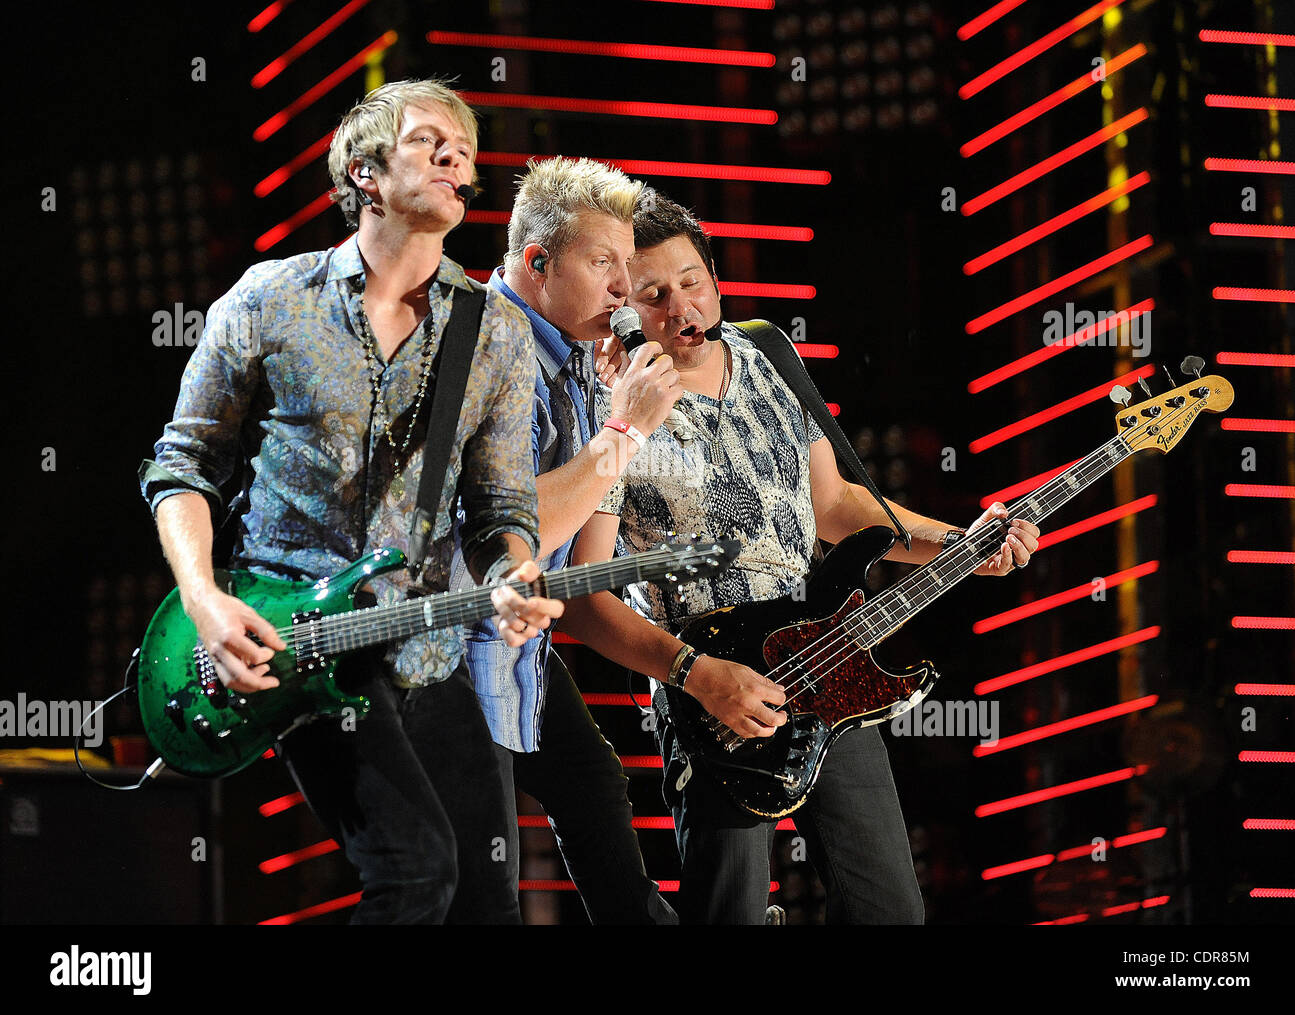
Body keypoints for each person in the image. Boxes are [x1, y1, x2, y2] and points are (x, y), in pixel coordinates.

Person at [139, 79, 563, 925]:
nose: (455, 156)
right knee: (415, 872)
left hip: (425, 647)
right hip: (291, 639)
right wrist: (205, 600)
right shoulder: (270, 299)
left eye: (464, 149)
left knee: (487, 905)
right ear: (366, 173)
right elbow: (182, 466)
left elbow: (500, 508)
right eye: (428, 141)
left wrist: (513, 573)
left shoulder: (494, 331)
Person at [564, 189, 1042, 924]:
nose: (682, 306)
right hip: (715, 693)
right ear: (624, 307)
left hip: (826, 659)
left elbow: (838, 505)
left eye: (692, 281)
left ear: (715, 277)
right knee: (730, 910)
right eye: (653, 295)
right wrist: (697, 676)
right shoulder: (610, 403)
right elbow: (583, 593)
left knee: (890, 911)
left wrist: (964, 545)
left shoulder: (767, 355)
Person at [451, 156, 685, 923]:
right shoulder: (486, 347)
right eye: (602, 263)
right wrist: (626, 430)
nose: (624, 288)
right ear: (538, 263)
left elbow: (586, 561)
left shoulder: (575, 359)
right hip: (450, 648)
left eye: (628, 265)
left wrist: (617, 415)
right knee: (485, 885)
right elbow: (508, 531)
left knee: (594, 787)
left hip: (519, 648)